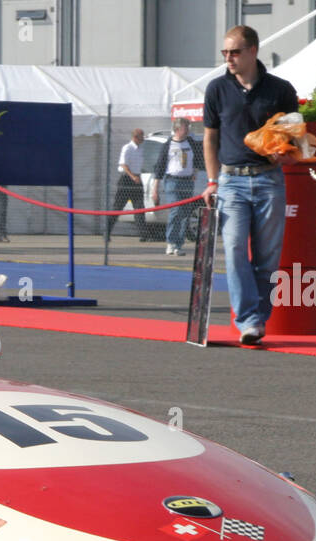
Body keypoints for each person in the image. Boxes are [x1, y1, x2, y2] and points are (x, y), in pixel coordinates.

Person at [202, 26, 300, 345]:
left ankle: (258, 317)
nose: (228, 58)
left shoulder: (281, 89)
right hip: (231, 180)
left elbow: (295, 138)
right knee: (233, 249)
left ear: (253, 51)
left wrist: (283, 154)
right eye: (225, 53)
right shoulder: (216, 88)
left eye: (235, 52)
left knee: (268, 256)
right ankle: (248, 319)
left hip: (269, 179)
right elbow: (210, 137)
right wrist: (213, 180)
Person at [151, 118, 204, 256]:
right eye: (185, 128)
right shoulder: (168, 144)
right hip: (172, 181)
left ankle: (178, 245)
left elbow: (199, 158)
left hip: (187, 181)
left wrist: (195, 171)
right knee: (176, 211)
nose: (187, 130)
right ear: (177, 129)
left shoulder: (190, 142)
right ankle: (171, 242)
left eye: (188, 127)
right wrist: (155, 188)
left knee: (185, 213)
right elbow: (160, 166)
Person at [109, 129, 147, 239]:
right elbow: (123, 164)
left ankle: (143, 234)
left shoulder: (140, 149)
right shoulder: (127, 148)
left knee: (139, 207)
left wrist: (137, 176)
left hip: (137, 179)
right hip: (127, 179)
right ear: (135, 137)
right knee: (118, 207)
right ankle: (107, 231)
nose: (143, 138)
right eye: (141, 136)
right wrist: (132, 176)